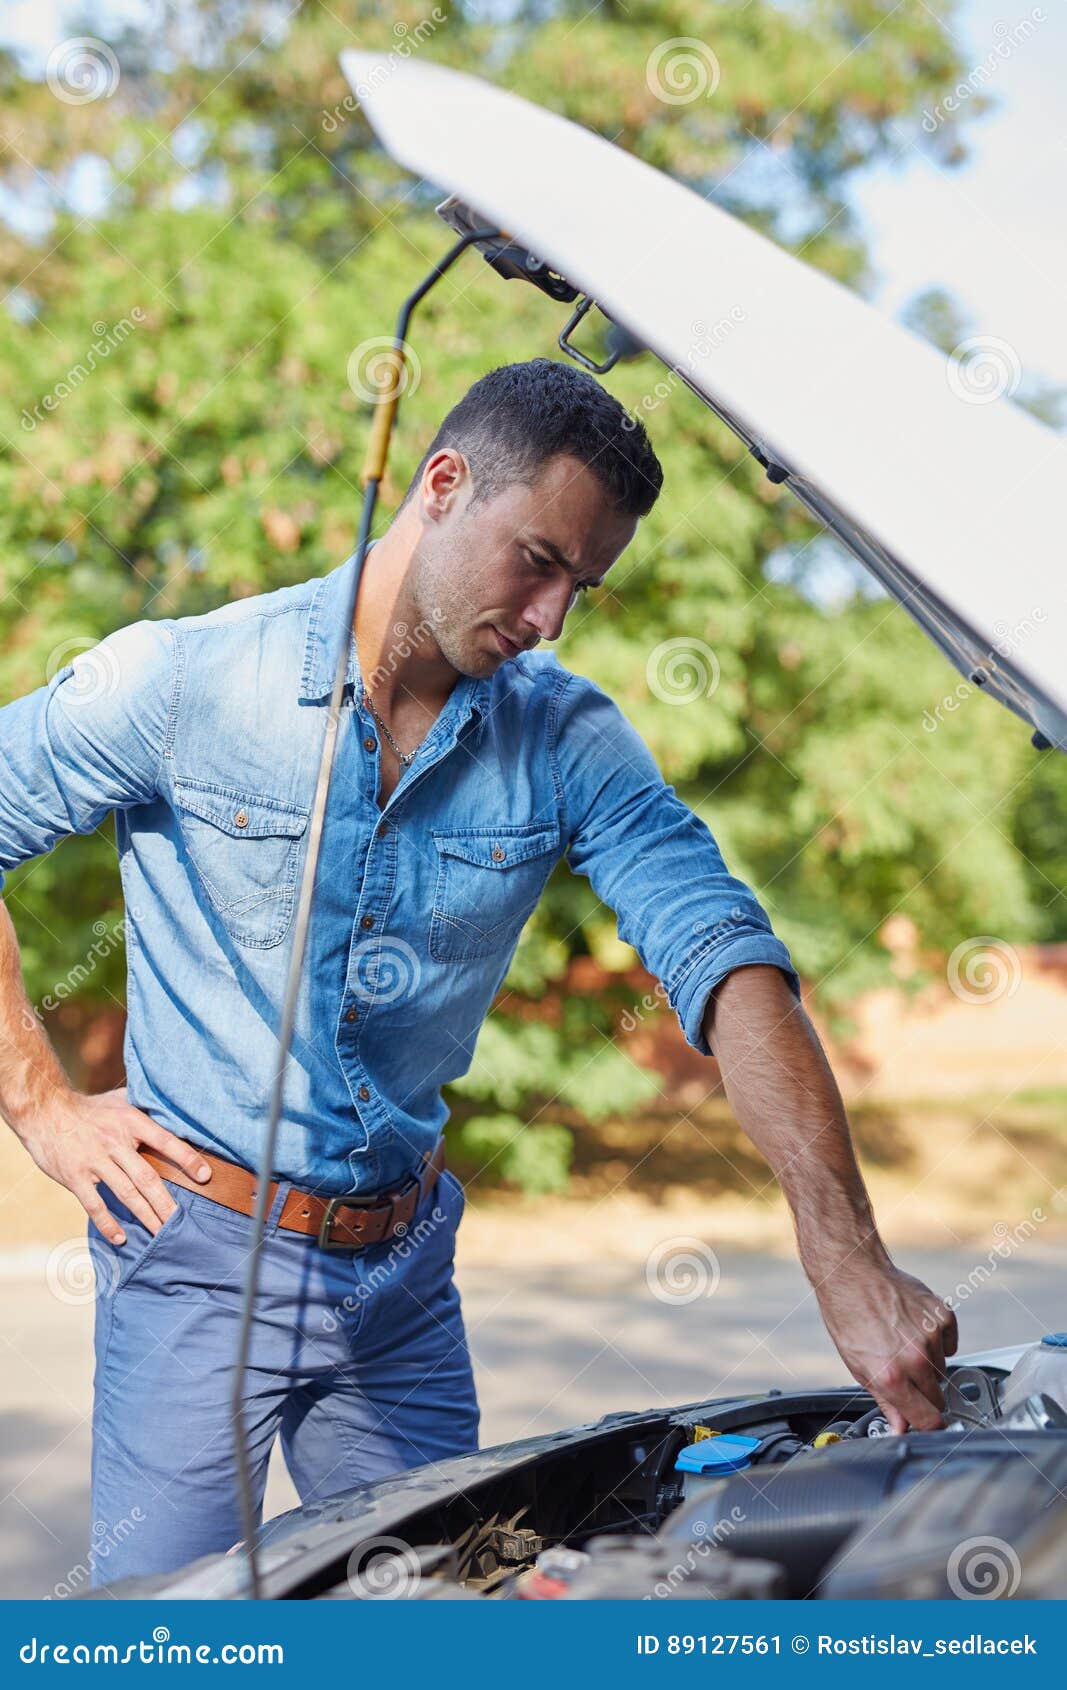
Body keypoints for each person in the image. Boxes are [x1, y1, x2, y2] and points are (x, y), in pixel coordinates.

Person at [0, 358, 955, 1585]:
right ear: (441, 483)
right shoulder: (183, 682)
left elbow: (724, 955)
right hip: (195, 1257)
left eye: (584, 586)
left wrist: (846, 1258)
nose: (552, 616)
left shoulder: (564, 737)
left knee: (456, 1620)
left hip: (400, 1275)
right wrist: (37, 1101)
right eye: (539, 560)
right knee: (169, 1638)